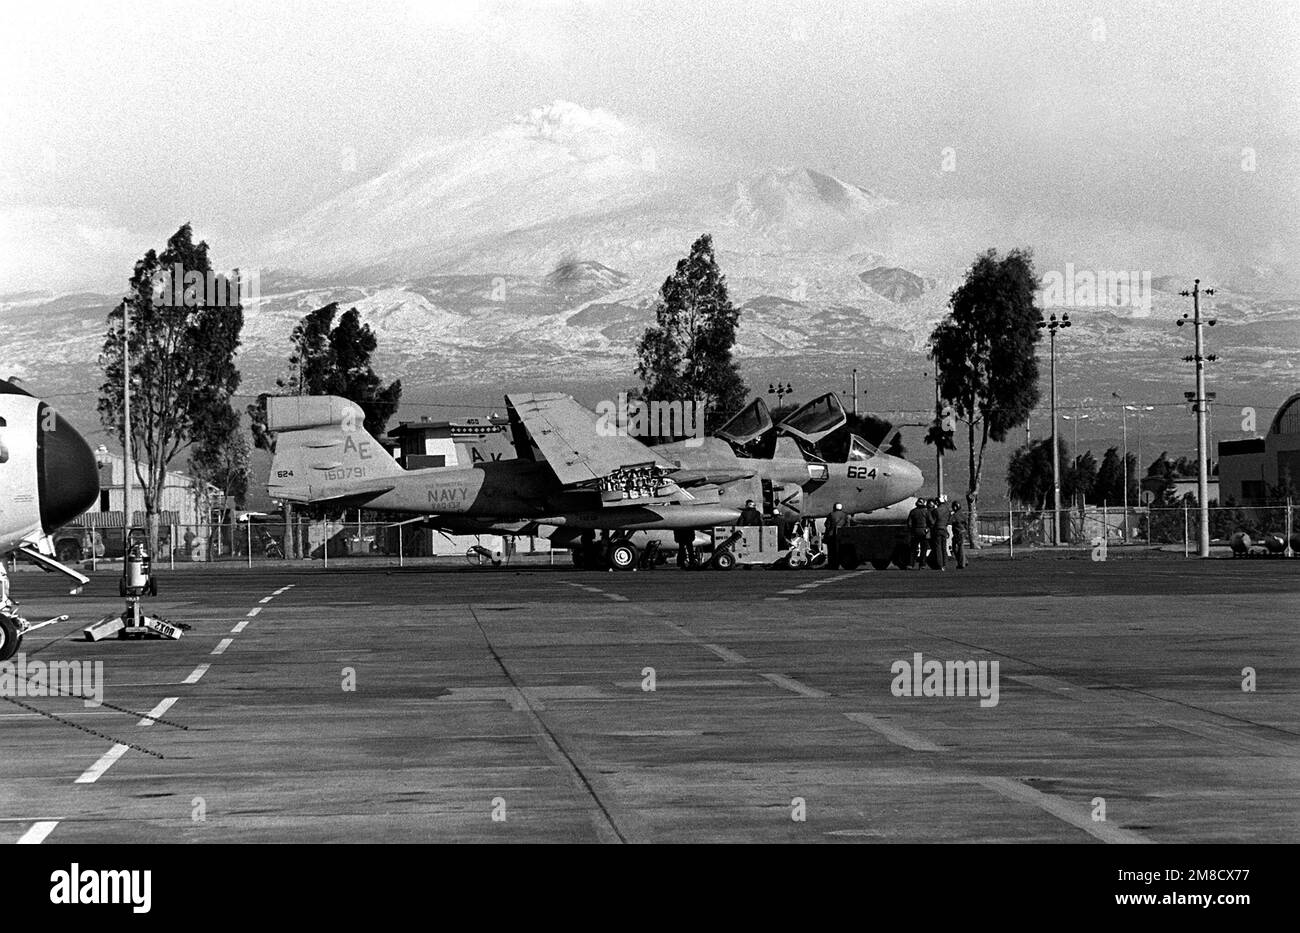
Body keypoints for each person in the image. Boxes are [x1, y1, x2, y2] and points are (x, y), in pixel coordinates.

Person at [906, 498, 930, 569]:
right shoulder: (926, 512)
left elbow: (909, 523)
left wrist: (912, 530)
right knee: (923, 549)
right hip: (924, 532)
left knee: (913, 549)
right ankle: (922, 565)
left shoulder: (913, 511)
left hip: (915, 532)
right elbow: (931, 521)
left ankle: (910, 564)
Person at [824, 502, 849, 568]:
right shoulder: (845, 515)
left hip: (831, 535)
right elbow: (847, 525)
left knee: (831, 551)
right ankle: (839, 563)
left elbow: (827, 525)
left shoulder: (831, 514)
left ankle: (832, 564)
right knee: (840, 550)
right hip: (841, 535)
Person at [929, 498, 946, 570]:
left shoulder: (936, 510)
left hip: (937, 529)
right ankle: (944, 563)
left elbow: (933, 522)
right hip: (944, 529)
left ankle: (939, 564)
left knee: (938, 547)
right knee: (943, 547)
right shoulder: (947, 510)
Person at [950, 502, 968, 569]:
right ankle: (964, 561)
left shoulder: (955, 515)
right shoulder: (963, 514)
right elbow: (966, 523)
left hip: (958, 533)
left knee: (958, 548)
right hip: (962, 532)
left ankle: (962, 563)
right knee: (959, 547)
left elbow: (950, 521)